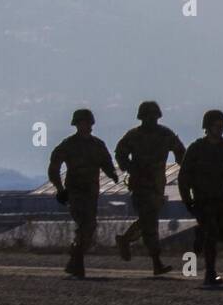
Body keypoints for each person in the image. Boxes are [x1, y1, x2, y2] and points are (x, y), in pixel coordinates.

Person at [114, 101, 186, 275]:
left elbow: (181, 152)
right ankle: (156, 262)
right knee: (150, 222)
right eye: (148, 116)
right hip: (140, 185)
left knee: (148, 221)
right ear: (142, 117)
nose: (150, 120)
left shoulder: (165, 134)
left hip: (156, 186)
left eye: (153, 116)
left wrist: (187, 167)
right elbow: (120, 153)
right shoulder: (134, 135)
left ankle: (125, 240)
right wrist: (131, 168)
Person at [178, 109, 223, 287]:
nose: (221, 129)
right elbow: (184, 176)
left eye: (222, 126)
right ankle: (210, 273)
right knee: (212, 233)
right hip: (202, 199)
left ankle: (200, 233)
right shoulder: (196, 149)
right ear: (208, 127)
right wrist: (187, 199)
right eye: (217, 126)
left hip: (220, 198)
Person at [48, 108, 119, 278]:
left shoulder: (98, 145)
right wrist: (60, 189)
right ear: (77, 124)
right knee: (84, 224)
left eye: (87, 122)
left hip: (91, 193)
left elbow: (107, 164)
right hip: (75, 192)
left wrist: (114, 176)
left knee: (90, 226)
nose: (85, 126)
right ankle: (77, 261)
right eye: (82, 123)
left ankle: (75, 256)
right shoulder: (68, 145)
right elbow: (54, 168)